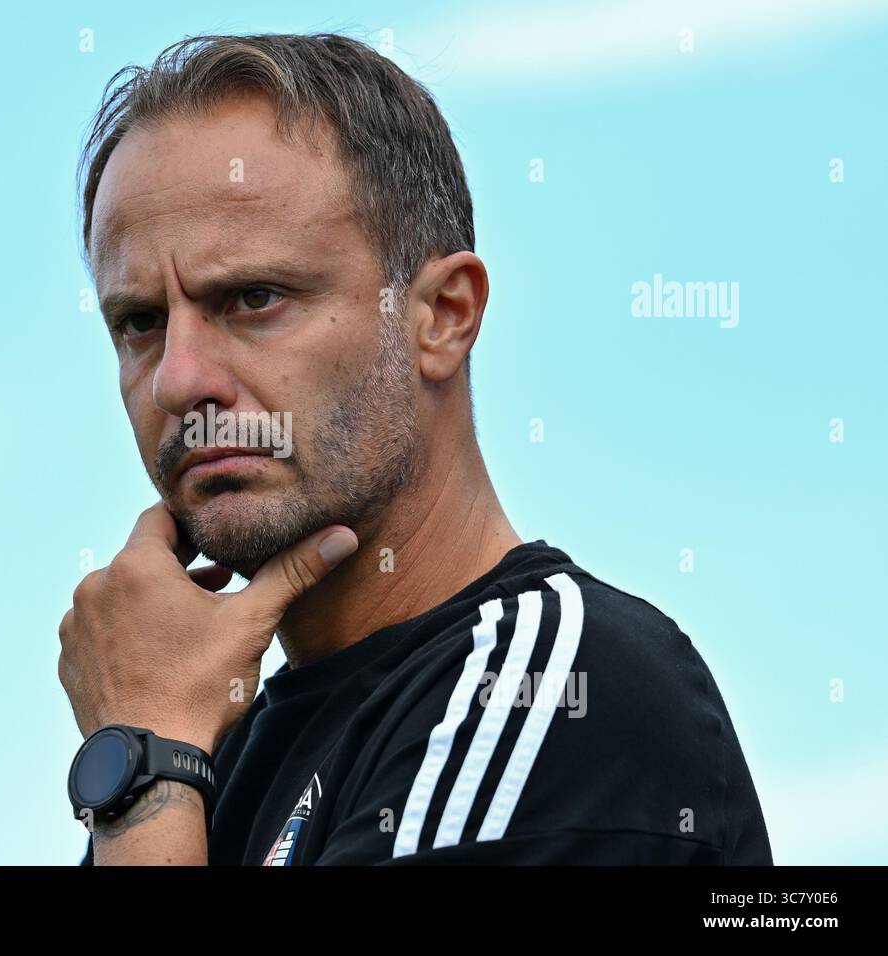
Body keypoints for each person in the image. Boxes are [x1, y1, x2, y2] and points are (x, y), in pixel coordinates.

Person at [59, 32, 771, 865]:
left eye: (253, 298)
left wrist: (141, 761)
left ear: (442, 317)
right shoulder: (210, 756)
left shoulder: (549, 687)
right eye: (140, 322)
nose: (177, 381)